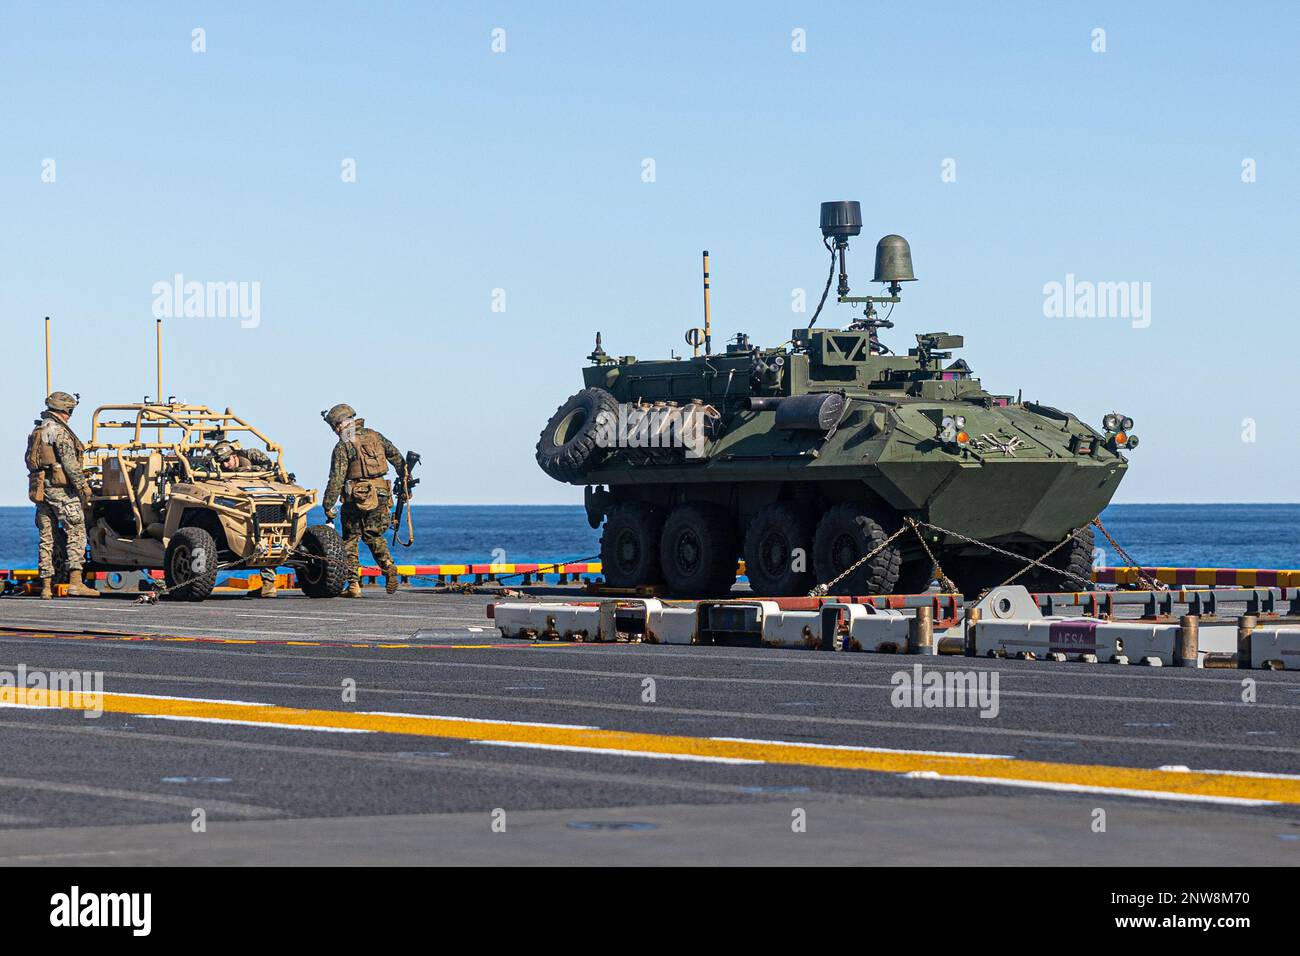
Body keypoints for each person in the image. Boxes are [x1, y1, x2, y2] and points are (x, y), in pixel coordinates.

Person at [319, 403, 406, 598]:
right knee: (373, 535)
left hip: (357, 498)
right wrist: (405, 482)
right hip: (381, 494)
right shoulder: (375, 436)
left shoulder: (343, 444)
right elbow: (398, 458)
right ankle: (388, 566)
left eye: (335, 426)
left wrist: (328, 504)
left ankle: (353, 585)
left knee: (350, 539)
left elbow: (336, 478)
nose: (335, 431)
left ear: (340, 424)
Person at [25, 391, 97, 599]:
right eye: (70, 410)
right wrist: (84, 488)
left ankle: (46, 586)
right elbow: (70, 465)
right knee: (76, 530)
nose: (70, 415)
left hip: (41, 489)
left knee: (47, 538)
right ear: (64, 410)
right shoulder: (59, 431)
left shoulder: (38, 429)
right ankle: (75, 582)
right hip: (61, 490)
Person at [210, 439, 280, 598]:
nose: (225, 465)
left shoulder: (252, 455)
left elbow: (270, 468)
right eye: (221, 462)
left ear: (235, 455)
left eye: (227, 460)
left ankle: (268, 585)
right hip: (241, 504)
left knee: (268, 537)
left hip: (264, 500)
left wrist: (246, 471)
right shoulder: (222, 470)